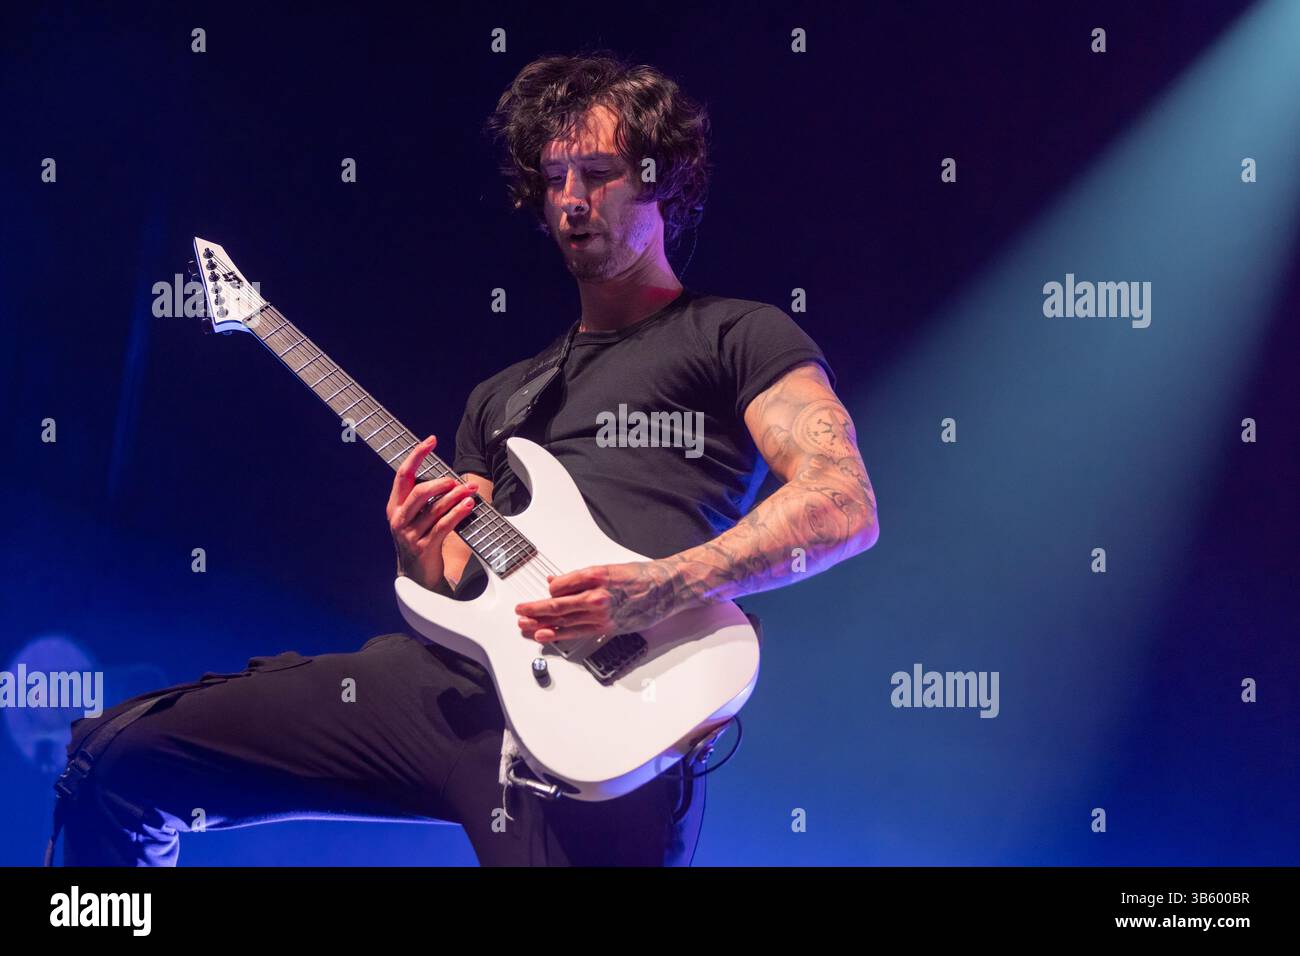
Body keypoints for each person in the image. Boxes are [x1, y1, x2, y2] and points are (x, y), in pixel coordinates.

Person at [52, 51, 879, 867]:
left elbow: (842, 502)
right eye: (553, 179)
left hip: (624, 719)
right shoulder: (505, 397)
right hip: (450, 696)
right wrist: (421, 549)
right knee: (114, 761)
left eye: (597, 173)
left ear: (662, 178)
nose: (570, 201)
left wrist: (664, 583)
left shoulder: (736, 333)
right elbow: (457, 585)